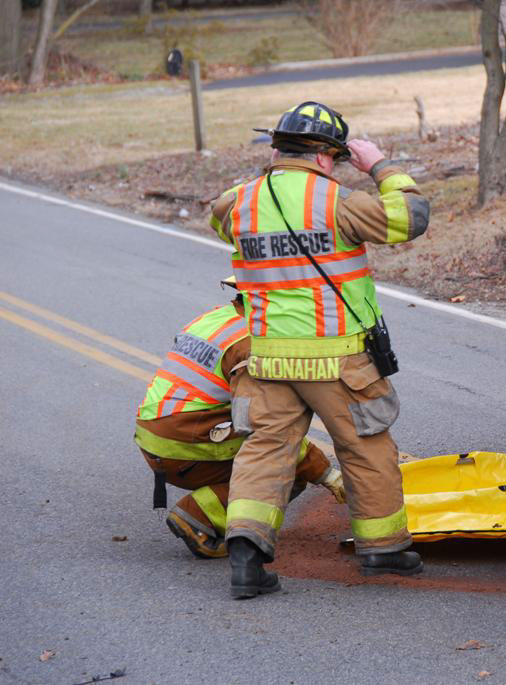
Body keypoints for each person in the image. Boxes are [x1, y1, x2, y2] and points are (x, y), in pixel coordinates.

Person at [209, 101, 430, 598]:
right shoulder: (340, 201)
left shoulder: (239, 203)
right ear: (330, 157)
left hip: (265, 359)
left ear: (274, 148)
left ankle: (245, 556)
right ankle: (383, 549)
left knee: (264, 449)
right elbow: (411, 218)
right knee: (366, 445)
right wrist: (378, 164)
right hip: (337, 359)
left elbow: (221, 213)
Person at [135, 281, 348, 560]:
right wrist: (328, 475)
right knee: (281, 466)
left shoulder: (217, 317)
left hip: (156, 433)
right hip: (187, 440)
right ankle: (198, 515)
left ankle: (214, 511)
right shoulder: (252, 343)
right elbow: (267, 428)